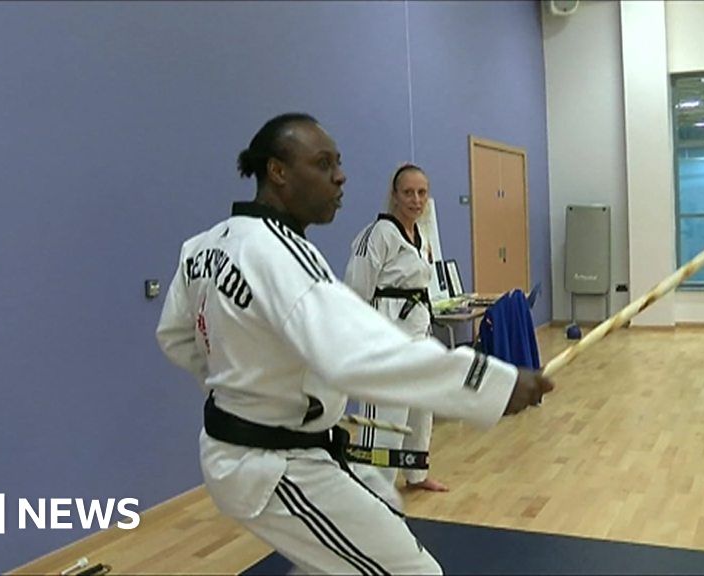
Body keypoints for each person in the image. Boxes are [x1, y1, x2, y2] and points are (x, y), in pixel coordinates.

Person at [156, 112, 553, 574]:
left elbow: (178, 337)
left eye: (338, 163)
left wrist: (255, 388)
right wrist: (492, 383)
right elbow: (356, 352)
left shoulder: (203, 247)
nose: (340, 176)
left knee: (381, 507)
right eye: (323, 164)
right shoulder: (282, 255)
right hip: (272, 465)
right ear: (278, 172)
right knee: (415, 572)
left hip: (261, 447)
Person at [344, 163, 448, 492]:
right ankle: (374, 486)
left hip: (417, 330)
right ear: (394, 195)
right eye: (408, 192)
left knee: (420, 408)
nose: (416, 200)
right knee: (388, 414)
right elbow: (355, 288)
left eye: (421, 192)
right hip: (385, 335)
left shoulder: (422, 235)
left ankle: (415, 474)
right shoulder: (378, 235)